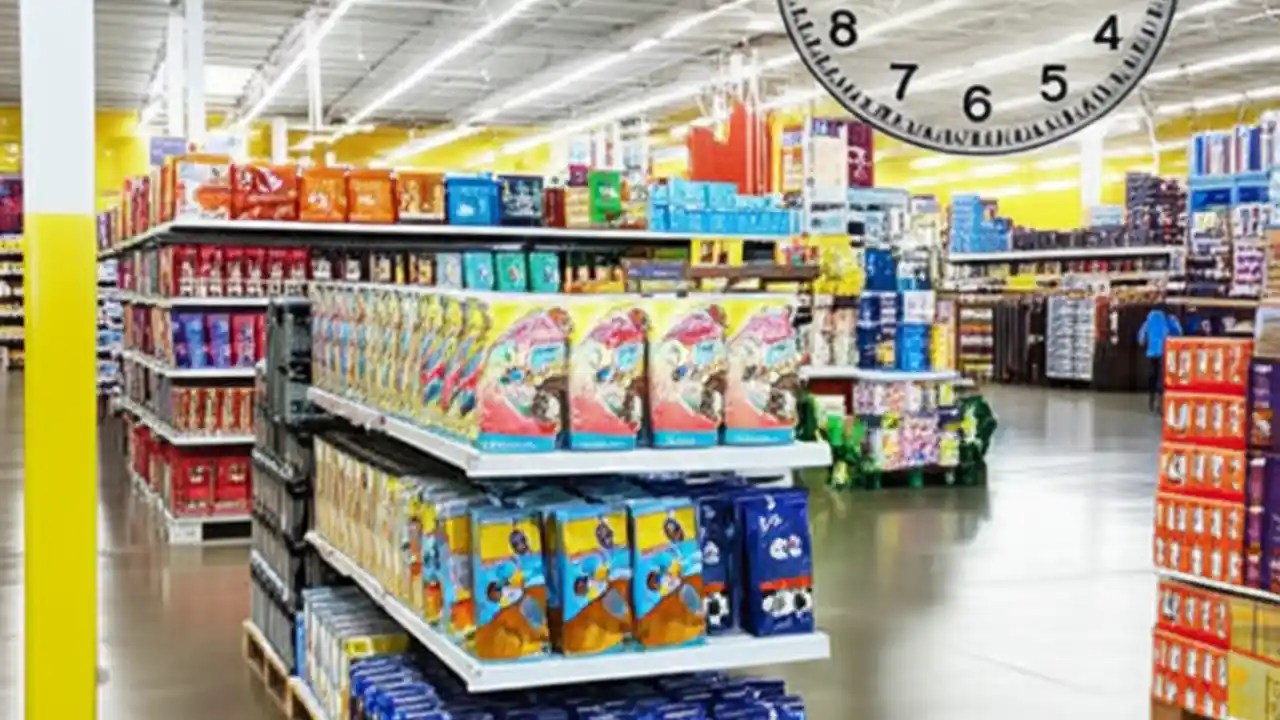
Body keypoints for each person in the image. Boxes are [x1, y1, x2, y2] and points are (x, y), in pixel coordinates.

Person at [1138, 303, 1183, 411]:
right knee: (1162, 376)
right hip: (1164, 350)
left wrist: (1143, 341)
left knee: (1152, 375)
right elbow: (1178, 331)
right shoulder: (1168, 318)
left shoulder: (1149, 318)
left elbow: (1141, 335)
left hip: (1151, 351)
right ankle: (1161, 401)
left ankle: (1151, 399)